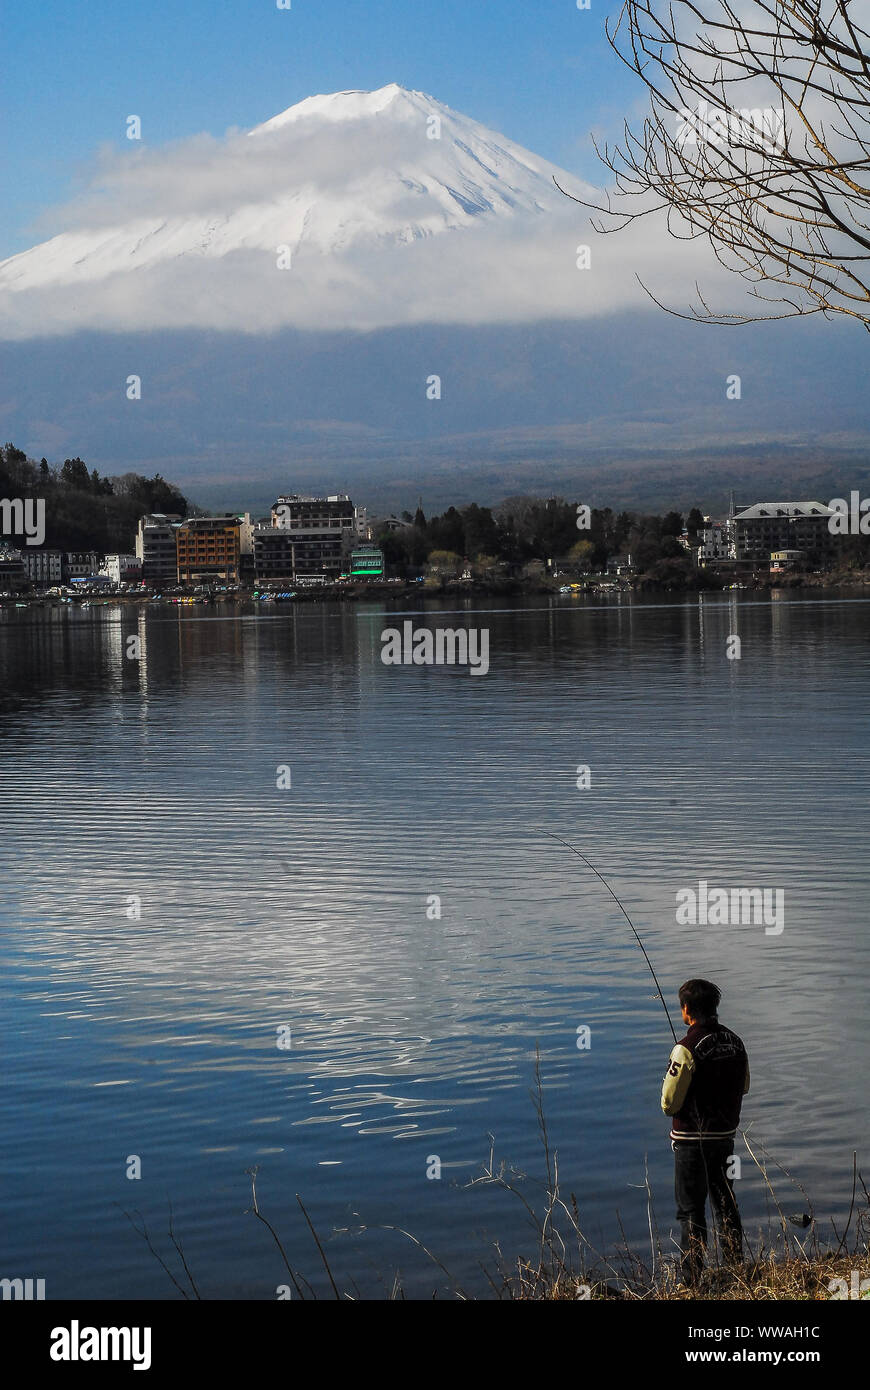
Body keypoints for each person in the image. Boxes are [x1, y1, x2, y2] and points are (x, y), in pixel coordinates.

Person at [661, 978, 750, 1285]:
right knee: (726, 1202)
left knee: (690, 1211)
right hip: (724, 1139)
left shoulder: (684, 1049)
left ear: (687, 1010)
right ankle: (736, 1269)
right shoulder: (736, 1042)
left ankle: (692, 1281)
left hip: (690, 1143)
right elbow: (745, 1086)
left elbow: (669, 1104)